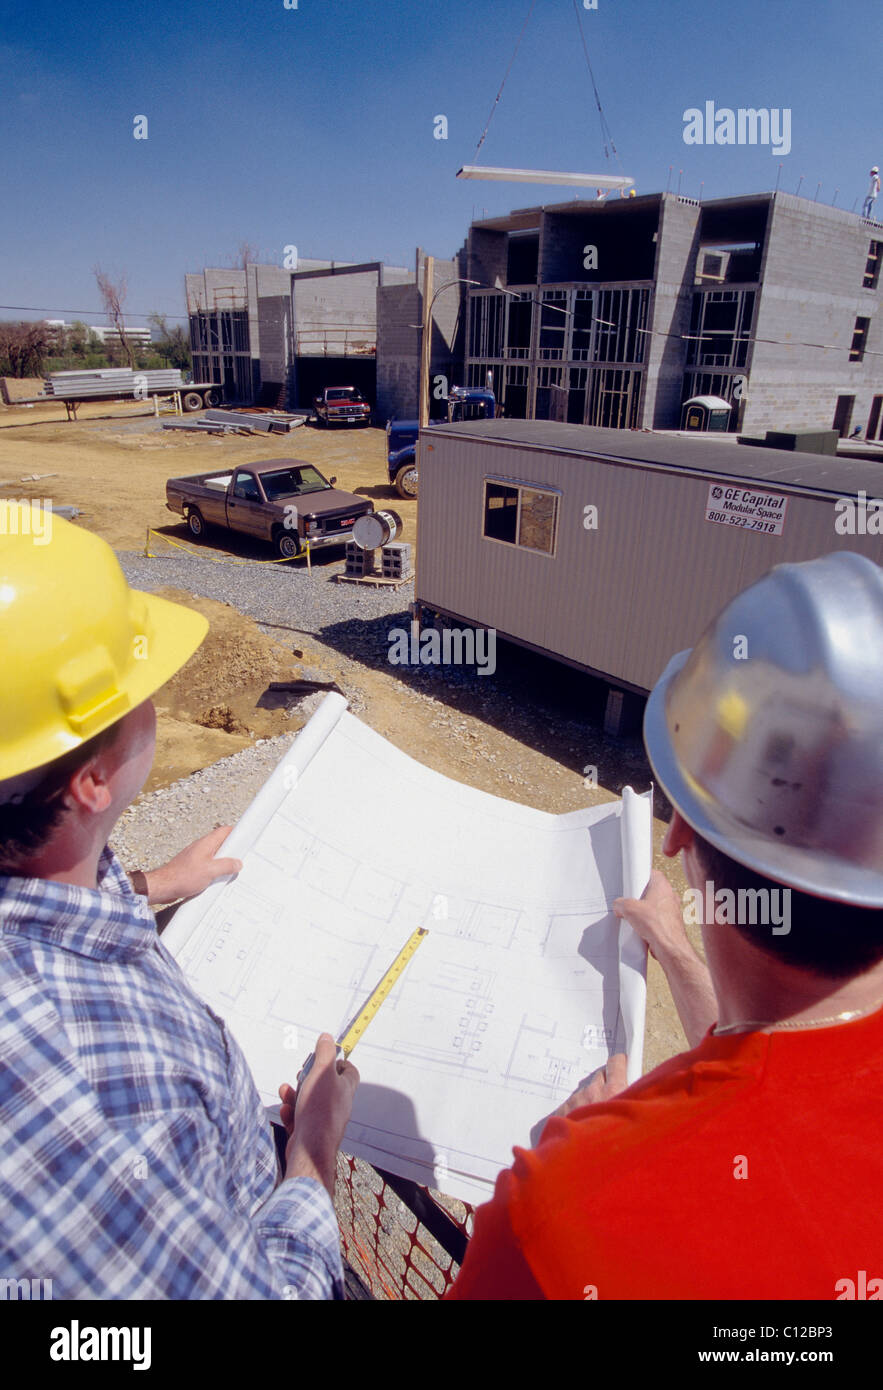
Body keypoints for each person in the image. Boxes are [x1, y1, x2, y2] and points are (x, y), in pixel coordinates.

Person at [447, 550, 883, 1300]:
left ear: (677, 829)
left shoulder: (557, 1217)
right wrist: (676, 954)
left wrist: (310, 1165)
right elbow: (791, 1079)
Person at [0, 507, 358, 1298]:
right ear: (92, 780)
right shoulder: (108, 1110)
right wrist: (311, 1154)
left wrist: (152, 887)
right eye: (140, 692)